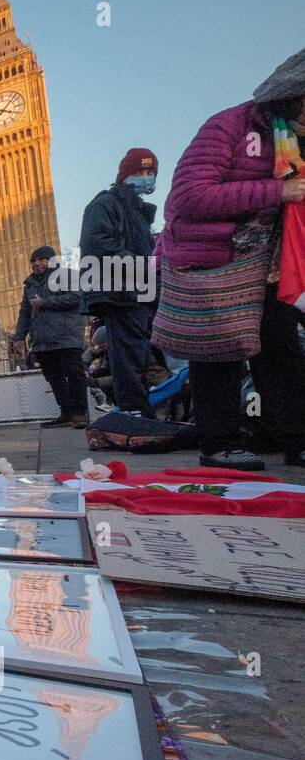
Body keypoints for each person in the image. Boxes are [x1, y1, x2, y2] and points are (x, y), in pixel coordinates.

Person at [162, 48, 305, 470]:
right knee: (218, 352)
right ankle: (219, 444)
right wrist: (278, 191)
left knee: (280, 347)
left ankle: (291, 437)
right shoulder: (228, 126)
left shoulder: (295, 140)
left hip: (271, 264)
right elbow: (189, 197)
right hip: (217, 261)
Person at [80, 148, 161, 419]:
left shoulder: (136, 209)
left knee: (139, 354)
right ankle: (134, 412)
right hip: (121, 292)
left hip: (140, 292)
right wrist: (143, 265)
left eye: (150, 173)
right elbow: (98, 244)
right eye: (139, 172)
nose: (146, 177)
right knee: (127, 356)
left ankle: (141, 410)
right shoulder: (106, 203)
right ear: (124, 174)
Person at [15, 245, 89, 428]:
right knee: (54, 377)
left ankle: (79, 413)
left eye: (41, 259)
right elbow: (25, 312)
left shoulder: (66, 275)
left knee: (74, 374)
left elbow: (77, 298)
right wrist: (19, 337)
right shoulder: (30, 284)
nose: (36, 264)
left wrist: (45, 303)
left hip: (66, 336)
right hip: (43, 340)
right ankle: (66, 413)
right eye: (33, 261)